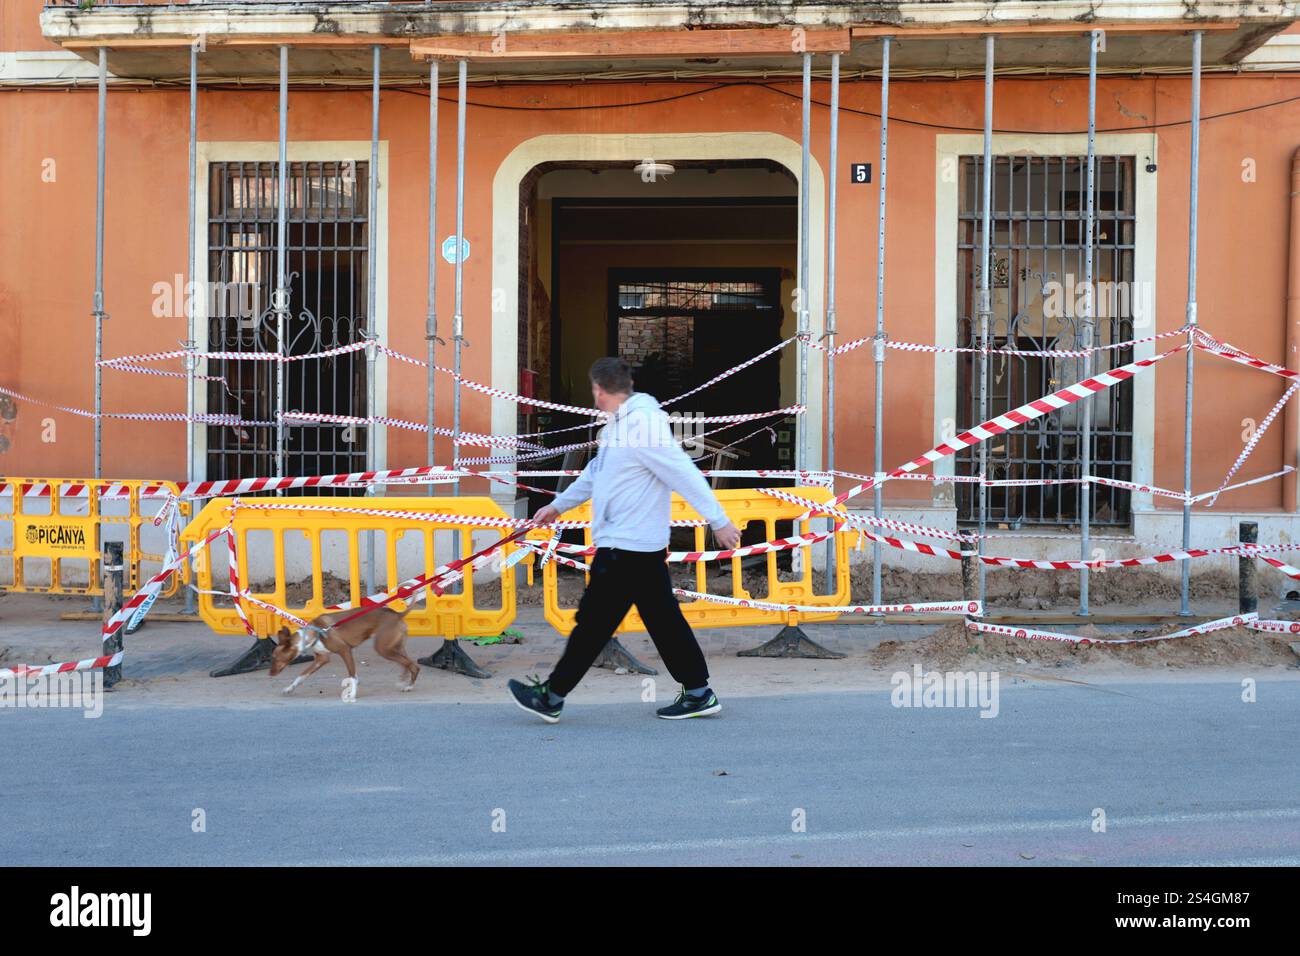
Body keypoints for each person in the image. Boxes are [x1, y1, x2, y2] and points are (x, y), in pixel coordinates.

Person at [508, 357, 742, 723]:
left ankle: (551, 697)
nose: (593, 396)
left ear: (600, 390)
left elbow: (682, 471)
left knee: (593, 625)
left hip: (625, 548)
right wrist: (557, 507)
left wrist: (719, 520)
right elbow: (594, 474)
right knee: (663, 621)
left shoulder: (643, 425)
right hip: (635, 549)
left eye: (593, 389)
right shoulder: (618, 427)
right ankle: (698, 692)